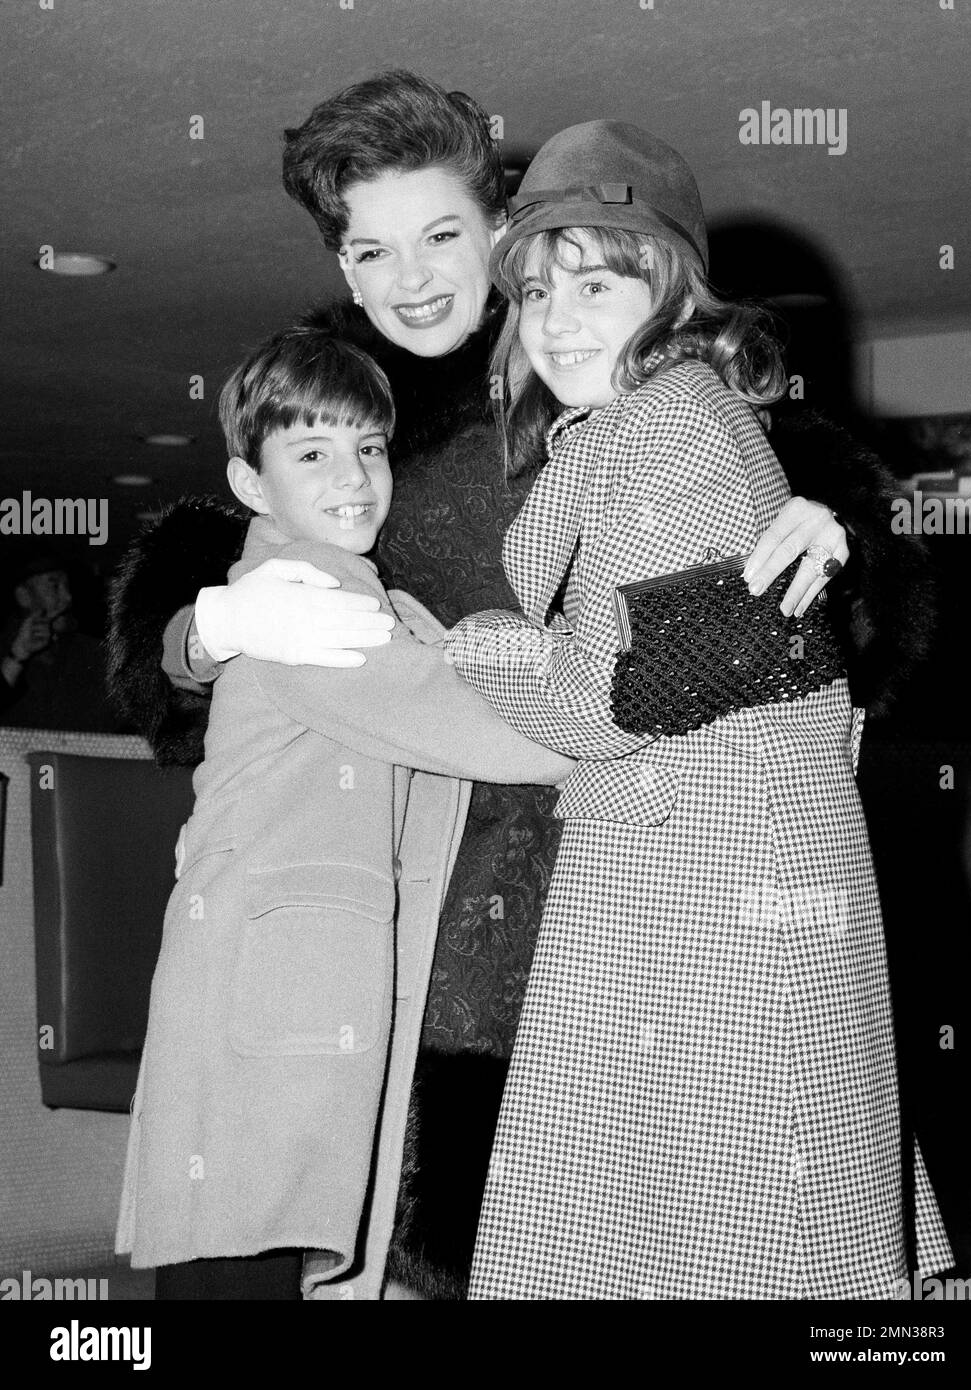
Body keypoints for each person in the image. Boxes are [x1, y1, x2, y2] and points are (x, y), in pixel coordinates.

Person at [107, 71, 932, 1298]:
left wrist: (838, 544)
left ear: (499, 221)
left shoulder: (649, 372)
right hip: (428, 913)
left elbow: (858, 631)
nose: (413, 279)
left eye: (443, 234)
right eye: (369, 250)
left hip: (649, 888)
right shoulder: (336, 404)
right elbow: (181, 633)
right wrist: (198, 630)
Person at [440, 120, 952, 1300]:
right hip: (716, 860)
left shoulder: (664, 422)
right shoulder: (644, 427)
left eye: (594, 280)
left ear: (669, 294)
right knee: (733, 1207)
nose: (553, 316)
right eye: (530, 288)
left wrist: (469, 645)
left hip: (708, 878)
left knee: (709, 1220)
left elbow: (609, 693)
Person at [115, 325, 574, 1300]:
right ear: (251, 484)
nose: (354, 475)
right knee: (241, 1248)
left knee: (257, 1244)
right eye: (312, 451)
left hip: (288, 977)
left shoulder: (353, 591)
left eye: (368, 446)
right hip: (271, 983)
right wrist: (652, 731)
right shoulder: (307, 592)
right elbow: (468, 726)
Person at [1, 555, 124, 731]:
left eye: (67, 586)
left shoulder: (94, 654)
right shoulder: (6, 656)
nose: (67, 598)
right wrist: (16, 657)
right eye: (54, 586)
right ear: (24, 596)